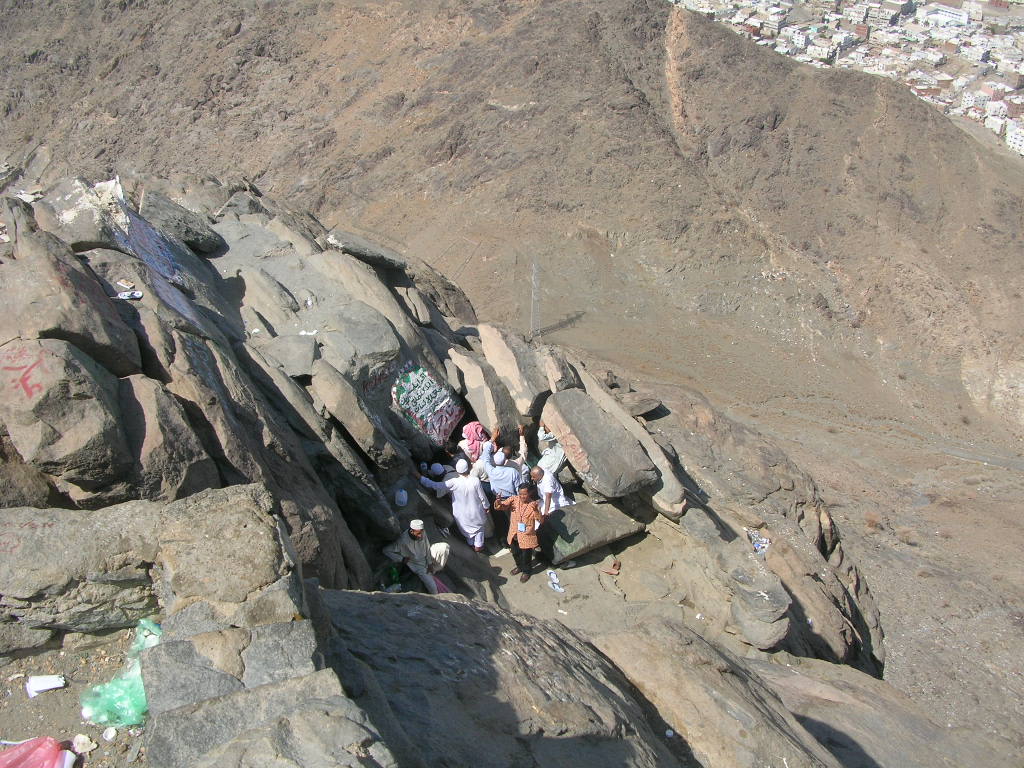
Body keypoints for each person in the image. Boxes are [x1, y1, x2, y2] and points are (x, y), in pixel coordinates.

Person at [417, 458, 490, 551]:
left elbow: (434, 485)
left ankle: (471, 544)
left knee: (467, 532)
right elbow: (482, 496)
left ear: (457, 470)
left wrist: (420, 477)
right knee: (479, 530)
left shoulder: (453, 482)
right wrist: (486, 506)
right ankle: (478, 546)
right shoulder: (475, 480)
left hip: (461, 514)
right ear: (467, 468)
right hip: (476, 512)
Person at [382, 519, 451, 594]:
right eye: (418, 534)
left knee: (444, 547)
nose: (420, 536)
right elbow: (386, 550)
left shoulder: (421, 533)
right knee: (433, 589)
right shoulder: (403, 541)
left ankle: (433, 570)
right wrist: (401, 559)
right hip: (418, 565)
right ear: (412, 531)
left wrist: (430, 563)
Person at [494, 483, 542, 582]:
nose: (522, 496)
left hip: (526, 535)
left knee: (526, 555)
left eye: (524, 494)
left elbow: (540, 520)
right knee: (515, 553)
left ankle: (526, 571)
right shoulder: (514, 499)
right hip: (514, 533)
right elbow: (501, 507)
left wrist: (536, 511)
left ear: (530, 493)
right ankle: (519, 566)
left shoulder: (534, 504)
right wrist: (498, 501)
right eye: (520, 494)